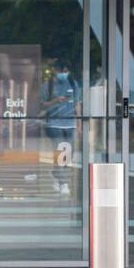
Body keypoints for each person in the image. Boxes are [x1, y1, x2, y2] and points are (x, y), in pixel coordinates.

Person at [40, 60, 80, 196]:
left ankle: (55, 173)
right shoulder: (48, 85)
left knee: (68, 153)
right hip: (54, 124)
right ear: (55, 71)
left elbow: (77, 104)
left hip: (70, 124)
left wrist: (79, 123)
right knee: (60, 152)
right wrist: (56, 101)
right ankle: (64, 183)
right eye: (61, 71)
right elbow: (42, 105)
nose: (64, 74)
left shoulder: (74, 84)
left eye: (66, 71)